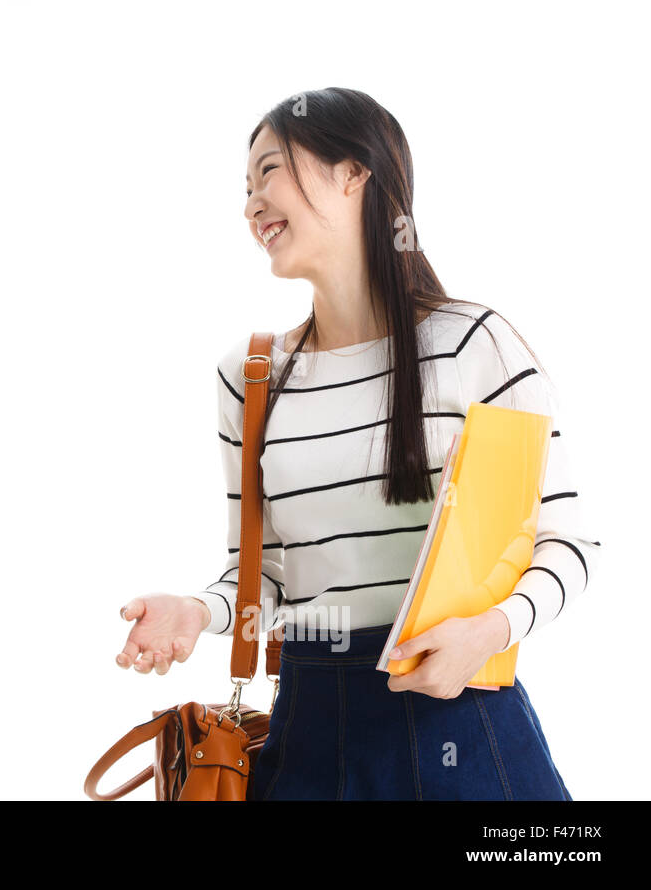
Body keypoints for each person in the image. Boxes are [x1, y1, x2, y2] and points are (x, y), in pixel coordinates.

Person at [115, 87, 599, 800]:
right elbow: (267, 577)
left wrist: (489, 632)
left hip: (465, 723)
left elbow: (567, 543)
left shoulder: (473, 344)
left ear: (354, 173)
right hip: (312, 734)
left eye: (269, 172)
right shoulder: (251, 379)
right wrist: (197, 611)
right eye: (244, 188)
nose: (251, 204)